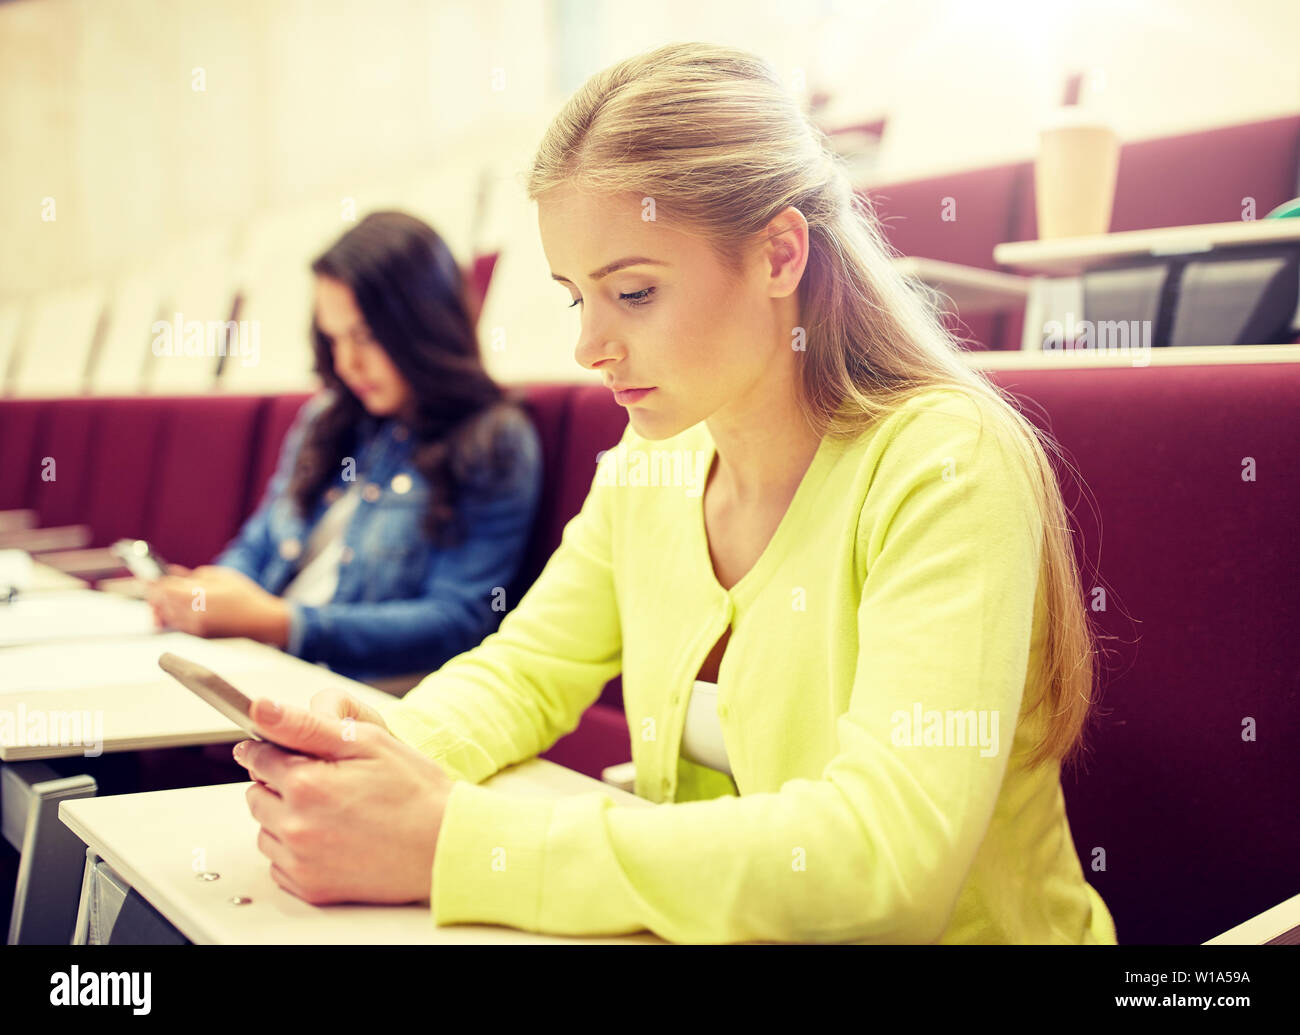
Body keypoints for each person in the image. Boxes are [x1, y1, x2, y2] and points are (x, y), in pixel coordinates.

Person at [231, 43, 1119, 944]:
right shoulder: (654, 455)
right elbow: (527, 670)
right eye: (578, 298)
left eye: (634, 291)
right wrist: (379, 757)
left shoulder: (947, 464)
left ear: (779, 255)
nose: (590, 347)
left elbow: (883, 864)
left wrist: (456, 842)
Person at [147, 211, 543, 683]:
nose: (347, 363)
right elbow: (258, 544)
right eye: (334, 338)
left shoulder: (494, 439)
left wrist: (280, 623)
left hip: (359, 693)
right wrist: (210, 593)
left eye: (366, 337)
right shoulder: (327, 418)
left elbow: (458, 622)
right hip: (263, 666)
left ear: (424, 326)